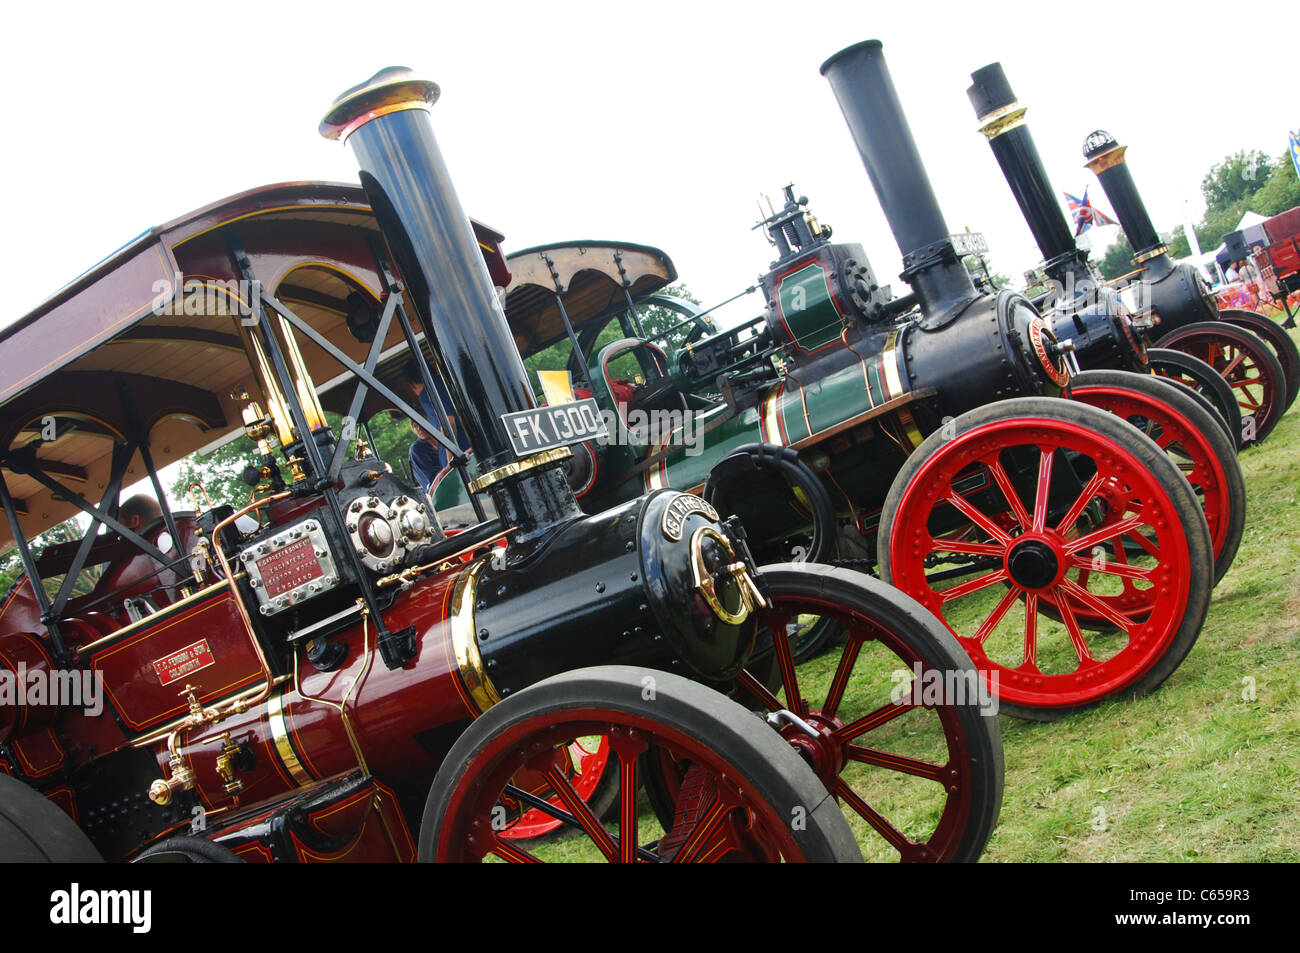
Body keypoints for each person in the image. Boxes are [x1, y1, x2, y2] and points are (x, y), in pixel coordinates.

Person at [402, 359, 470, 491]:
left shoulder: (428, 394)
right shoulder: (450, 383)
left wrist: (452, 466)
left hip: (464, 460)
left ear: (412, 386)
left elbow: (449, 422)